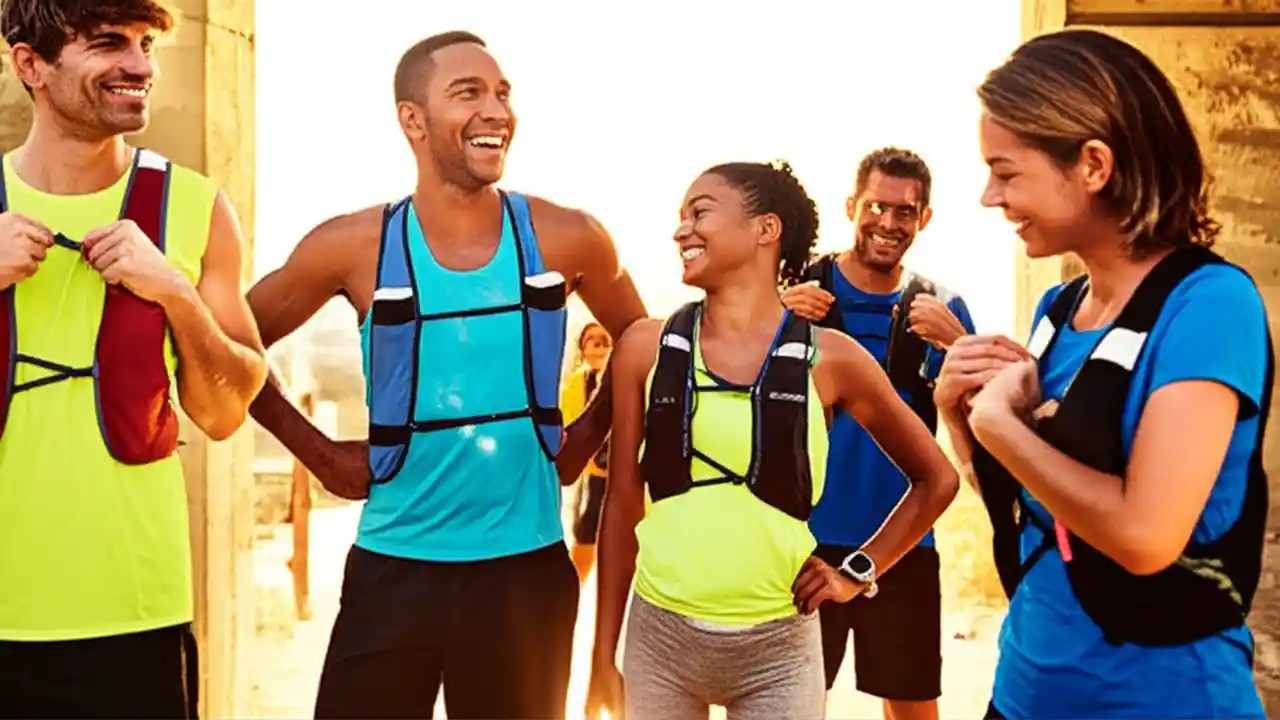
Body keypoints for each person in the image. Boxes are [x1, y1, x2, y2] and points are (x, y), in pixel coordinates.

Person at [245, 31, 645, 720]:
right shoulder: (353, 245)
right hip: (391, 570)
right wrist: (319, 454)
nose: (497, 111)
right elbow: (225, 344)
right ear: (412, 120)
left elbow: (644, 343)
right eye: (469, 93)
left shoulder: (567, 235)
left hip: (524, 573)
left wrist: (585, 436)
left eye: (503, 93)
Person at [939, 29, 1272, 719]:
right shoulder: (1059, 309)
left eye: (1006, 171)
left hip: (1161, 699)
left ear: (1093, 164)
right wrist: (958, 414)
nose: (988, 196)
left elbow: (1145, 538)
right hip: (1025, 690)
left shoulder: (1209, 305)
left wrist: (998, 423)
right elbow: (1035, 502)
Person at [585, 160, 959, 720]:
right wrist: (601, 655)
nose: (681, 230)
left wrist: (857, 572)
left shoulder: (830, 358)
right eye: (680, 216)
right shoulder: (645, 347)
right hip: (658, 639)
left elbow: (937, 479)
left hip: (778, 650)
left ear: (766, 229)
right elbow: (620, 510)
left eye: (700, 212)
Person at [0, 1, 268, 717]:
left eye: (146, 44)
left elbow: (225, 409)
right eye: (108, 43)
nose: (141, 66)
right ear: (30, 64)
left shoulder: (196, 206)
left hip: (134, 613)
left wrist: (176, 294)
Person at [782, 147, 975, 720]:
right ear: (851, 206)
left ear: (925, 219)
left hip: (905, 543)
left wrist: (957, 346)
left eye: (905, 212)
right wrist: (772, 317)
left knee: (913, 708)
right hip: (801, 543)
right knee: (788, 707)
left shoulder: (943, 309)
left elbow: (977, 431)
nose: (888, 224)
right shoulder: (796, 291)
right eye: (876, 207)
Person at [561, 321, 614, 583]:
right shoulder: (578, 383)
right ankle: (575, 593)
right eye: (592, 342)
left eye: (604, 341)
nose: (598, 347)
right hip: (592, 474)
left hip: (624, 477)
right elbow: (568, 426)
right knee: (585, 530)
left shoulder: (626, 375)